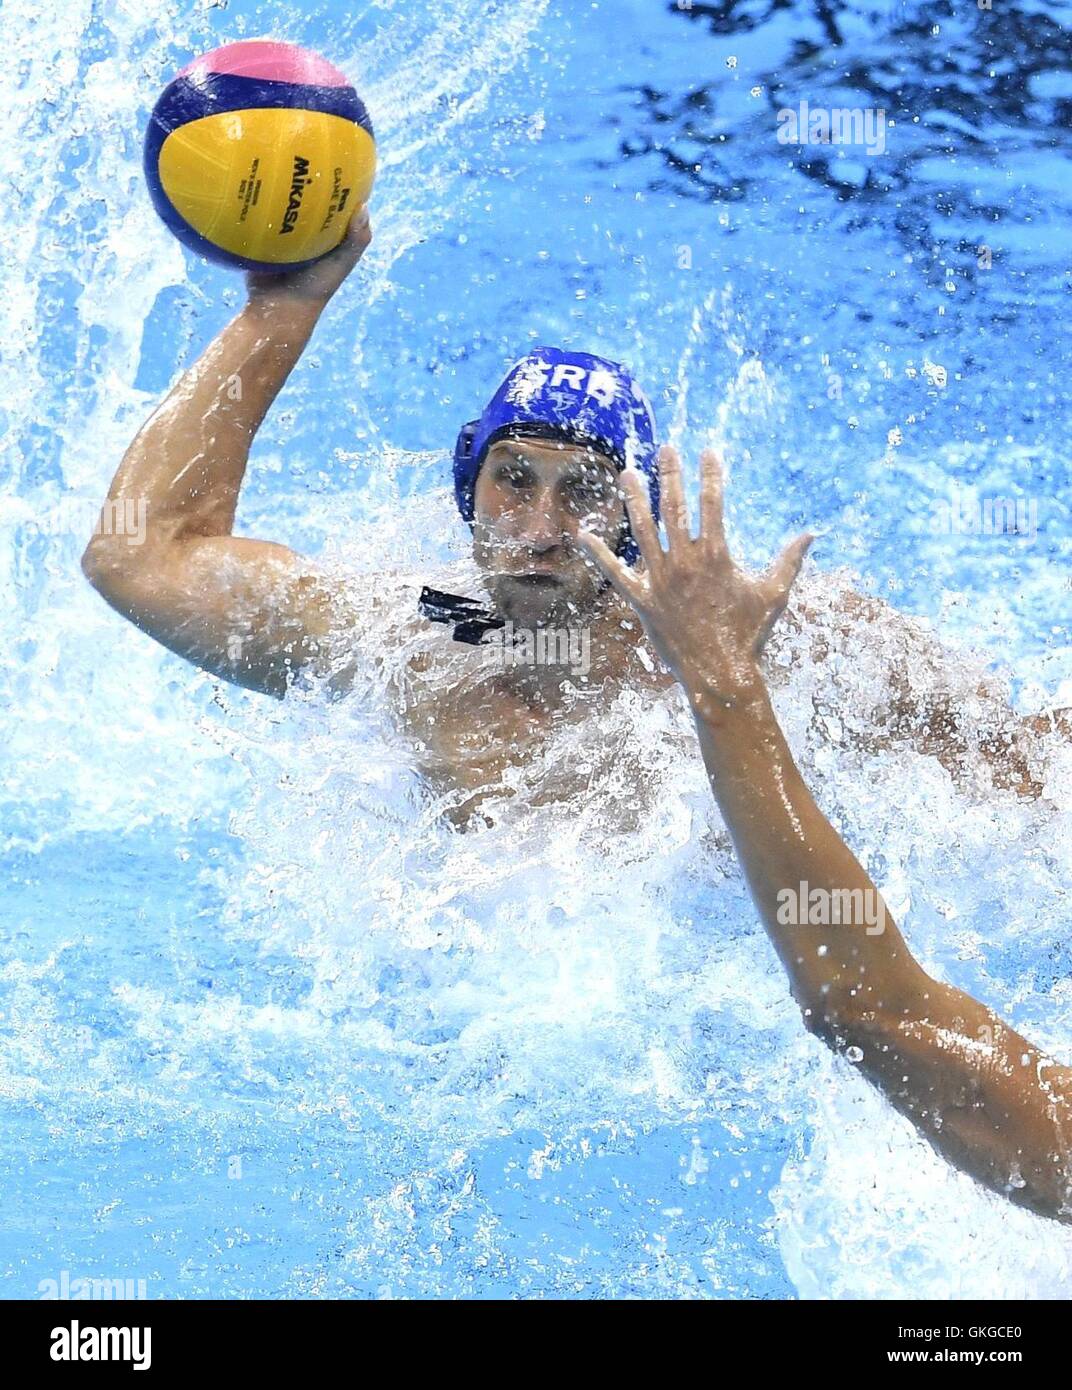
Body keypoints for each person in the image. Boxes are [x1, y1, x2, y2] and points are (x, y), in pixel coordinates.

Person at [81, 210, 1072, 1218]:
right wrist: (284, 305)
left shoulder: (781, 640)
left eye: (586, 491)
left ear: (638, 519)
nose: (543, 529)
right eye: (514, 481)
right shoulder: (408, 641)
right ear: (468, 489)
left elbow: (1033, 766)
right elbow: (138, 556)